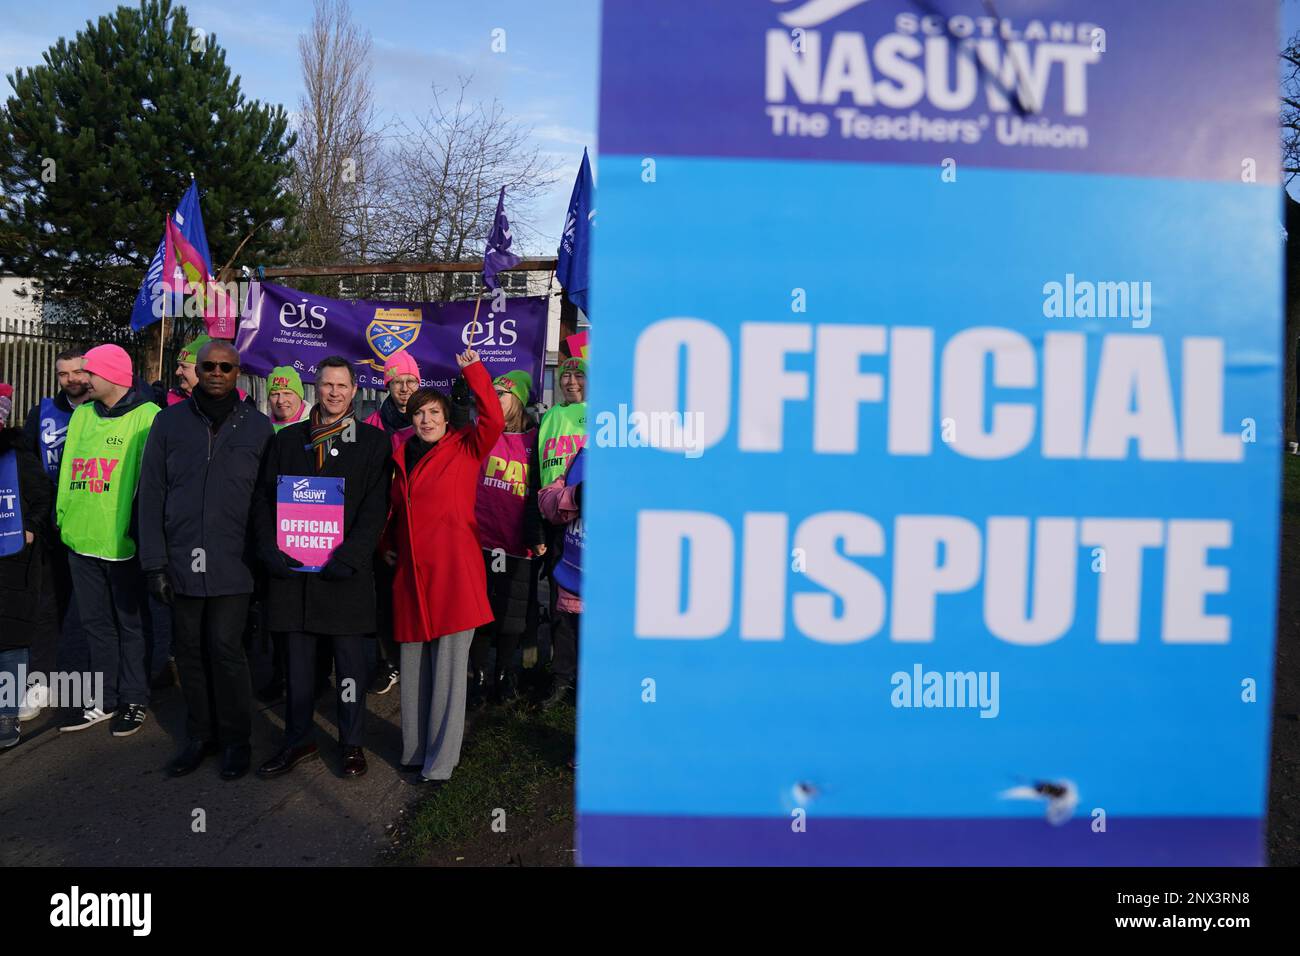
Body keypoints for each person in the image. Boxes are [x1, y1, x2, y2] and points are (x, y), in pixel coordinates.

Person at [139, 340, 273, 780]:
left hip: (234, 564)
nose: (216, 372)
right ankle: (201, 736)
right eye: (208, 365)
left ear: (238, 373)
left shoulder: (257, 427)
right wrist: (155, 563)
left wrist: (265, 562)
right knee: (190, 652)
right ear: (196, 370)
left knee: (225, 649)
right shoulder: (168, 423)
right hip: (180, 560)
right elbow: (152, 493)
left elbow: (265, 503)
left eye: (226, 366)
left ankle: (236, 740)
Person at [254, 355, 391, 780]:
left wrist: (350, 557)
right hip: (293, 578)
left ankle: (351, 743)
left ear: (354, 391)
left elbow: (375, 509)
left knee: (349, 669)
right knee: (297, 669)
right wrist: (269, 549)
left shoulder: (372, 444)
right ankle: (298, 739)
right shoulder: (287, 440)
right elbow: (263, 501)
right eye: (327, 385)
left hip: (343, 577)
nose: (334, 393)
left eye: (342, 386)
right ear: (316, 388)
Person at [380, 348, 503, 784]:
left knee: (450, 676)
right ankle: (415, 752)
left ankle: (440, 763)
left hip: (454, 577)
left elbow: (494, 419)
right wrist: (386, 546)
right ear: (409, 420)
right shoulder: (399, 454)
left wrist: (473, 369)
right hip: (412, 580)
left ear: (447, 419)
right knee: (414, 670)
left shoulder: (467, 446)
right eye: (419, 414)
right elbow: (393, 511)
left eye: (434, 413)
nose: (426, 420)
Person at [55, 344, 159, 736]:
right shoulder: (82, 414)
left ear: (112, 376)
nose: (82, 379)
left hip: (122, 543)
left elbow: (149, 486)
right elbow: (69, 468)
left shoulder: (148, 417)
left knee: (130, 624)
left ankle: (134, 698)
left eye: (89, 373)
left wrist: (140, 535)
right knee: (95, 623)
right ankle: (104, 698)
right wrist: (63, 518)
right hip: (81, 537)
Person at [467, 369, 544, 708]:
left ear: (518, 402)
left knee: (512, 618)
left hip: (516, 544)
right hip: (481, 540)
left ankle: (503, 674)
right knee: (480, 614)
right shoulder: (484, 432)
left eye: (501, 394)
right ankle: (479, 676)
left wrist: (536, 534)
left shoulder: (536, 439)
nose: (494, 399)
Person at [21, 349, 90, 717]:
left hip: (98, 524)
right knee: (48, 604)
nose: (72, 379)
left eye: (78, 371)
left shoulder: (103, 410)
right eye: (64, 374)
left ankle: (115, 684)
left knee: (104, 611)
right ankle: (40, 682)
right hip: (52, 527)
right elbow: (26, 464)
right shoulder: (43, 411)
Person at [363, 351, 419, 695]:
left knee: (413, 597)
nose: (404, 388)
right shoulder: (371, 425)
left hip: (415, 527)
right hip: (383, 527)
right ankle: (390, 662)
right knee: (384, 599)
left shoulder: (428, 421)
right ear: (387, 385)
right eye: (397, 382)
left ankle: (414, 661)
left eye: (410, 381)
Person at [0, 384, 52, 749]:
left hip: (12, 564)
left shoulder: (17, 458)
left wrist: (31, 528)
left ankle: (6, 714)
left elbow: (43, 499)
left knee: (11, 639)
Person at [537, 355, 588, 707]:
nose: (570, 382)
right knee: (562, 604)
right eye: (565, 376)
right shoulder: (552, 417)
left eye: (579, 376)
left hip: (595, 530)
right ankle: (562, 676)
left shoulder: (603, 416)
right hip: (559, 515)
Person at [538, 448, 585, 711]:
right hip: (570, 573)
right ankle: (561, 680)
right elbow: (547, 499)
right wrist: (575, 495)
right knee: (565, 631)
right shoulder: (579, 458)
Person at [267, 365, 310, 431]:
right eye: (275, 394)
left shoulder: (316, 425)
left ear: (299, 395)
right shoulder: (262, 428)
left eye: (287, 394)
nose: (280, 401)